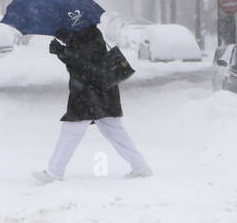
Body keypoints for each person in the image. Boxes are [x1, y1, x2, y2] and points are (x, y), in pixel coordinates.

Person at [33, 23, 152, 183]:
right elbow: (81, 58)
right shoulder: (86, 34)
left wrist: (60, 51)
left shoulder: (89, 35)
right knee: (115, 132)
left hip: (89, 94)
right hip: (101, 93)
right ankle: (140, 168)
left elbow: (83, 65)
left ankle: (54, 173)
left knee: (71, 130)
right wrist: (63, 44)